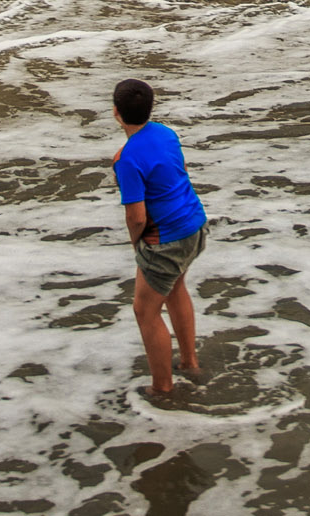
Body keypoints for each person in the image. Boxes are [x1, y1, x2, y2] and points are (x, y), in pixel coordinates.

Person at [109, 77, 208, 394]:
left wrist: (135, 241)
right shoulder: (166, 133)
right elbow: (178, 173)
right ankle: (189, 362)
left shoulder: (128, 158)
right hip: (194, 224)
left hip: (165, 240)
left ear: (116, 113)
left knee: (145, 311)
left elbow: (136, 215)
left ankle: (162, 388)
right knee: (176, 287)